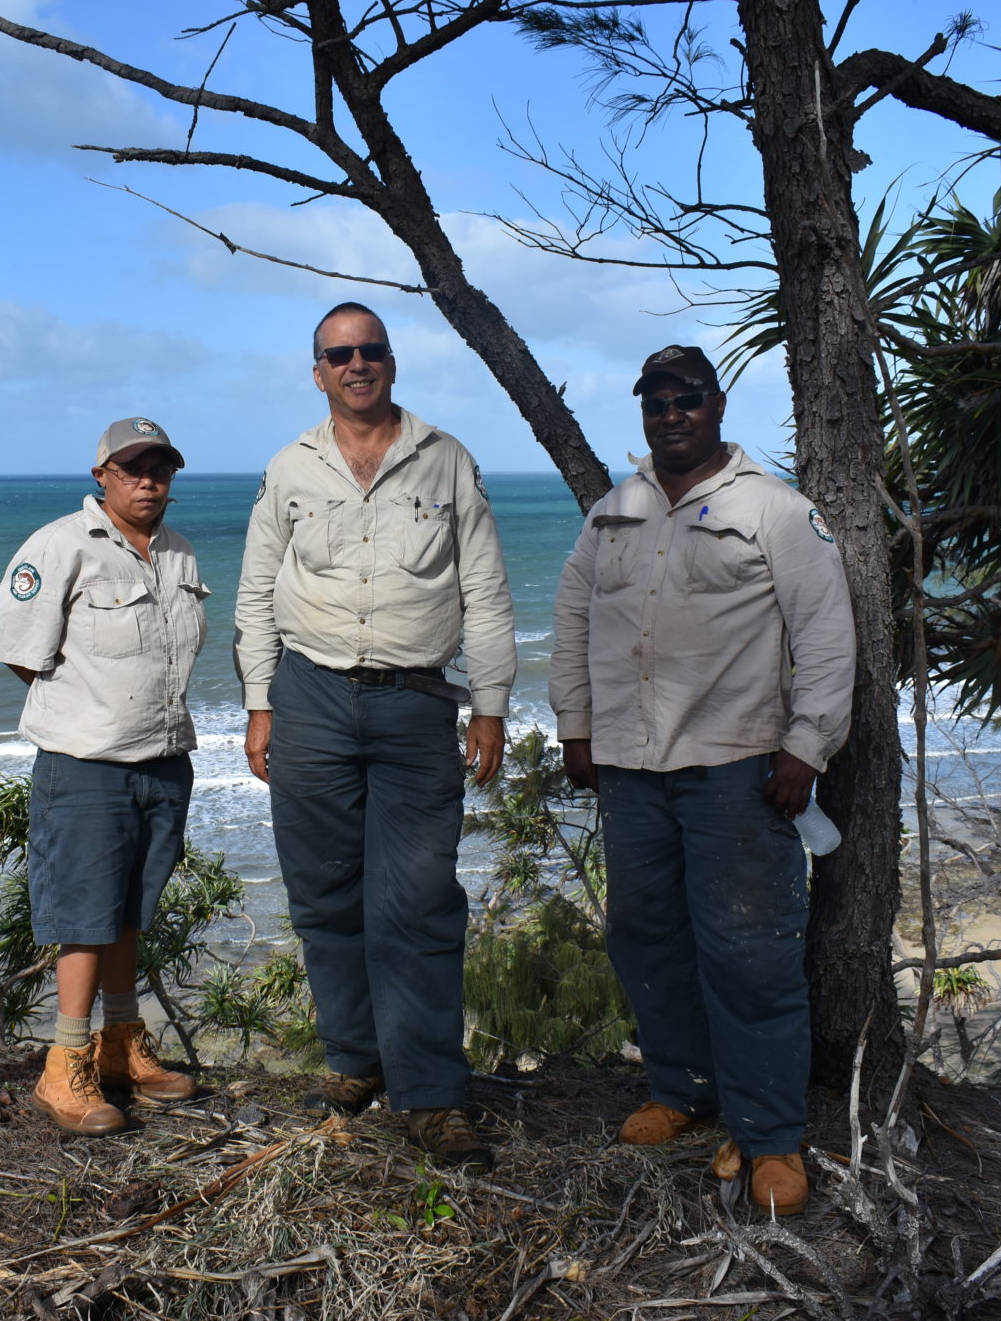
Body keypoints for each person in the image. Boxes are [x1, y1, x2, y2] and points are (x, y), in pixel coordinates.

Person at [549, 344, 855, 1214]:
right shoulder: (615, 511)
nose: (671, 413)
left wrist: (807, 746)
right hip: (633, 770)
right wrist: (577, 725)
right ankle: (681, 1090)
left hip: (739, 767)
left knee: (750, 954)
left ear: (717, 405)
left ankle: (769, 1137)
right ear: (643, 411)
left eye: (687, 398)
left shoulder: (775, 509)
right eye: (656, 401)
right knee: (646, 935)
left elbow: (827, 635)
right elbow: (574, 617)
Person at [235, 300, 516, 1169]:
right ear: (317, 372)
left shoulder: (448, 460)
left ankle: (431, 1094)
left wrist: (493, 705)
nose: (357, 364)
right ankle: (354, 1062)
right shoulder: (290, 467)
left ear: (392, 362)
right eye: (338, 354)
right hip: (309, 698)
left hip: (414, 705)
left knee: (419, 899)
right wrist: (259, 703)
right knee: (324, 896)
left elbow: (487, 591)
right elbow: (253, 593)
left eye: (371, 350)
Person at [0, 416, 209, 1135]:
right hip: (85, 763)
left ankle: (121, 1045)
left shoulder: (177, 552)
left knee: (127, 911)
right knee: (83, 915)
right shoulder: (60, 546)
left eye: (161, 468)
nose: (149, 479)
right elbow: (23, 650)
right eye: (133, 467)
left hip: (162, 757)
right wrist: (87, 708)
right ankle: (65, 1065)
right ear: (103, 476)